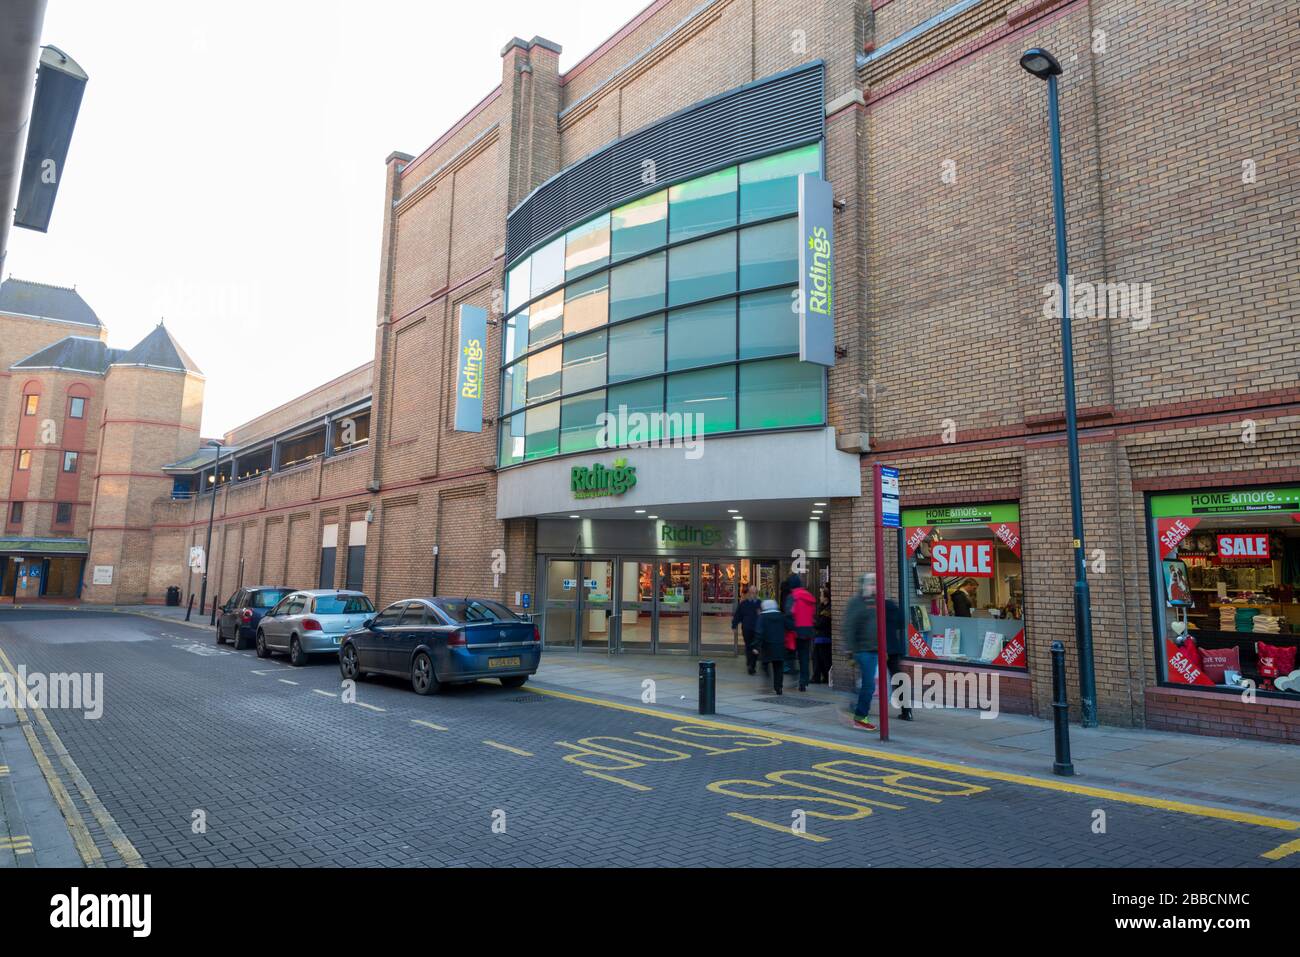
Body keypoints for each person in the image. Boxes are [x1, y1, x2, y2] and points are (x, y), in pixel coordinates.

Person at [841, 573, 902, 730]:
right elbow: (848, 627)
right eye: (871, 583)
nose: (874, 586)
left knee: (866, 684)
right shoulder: (857, 603)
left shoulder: (876, 602)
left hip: (876, 650)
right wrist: (851, 651)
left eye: (875, 583)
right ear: (863, 585)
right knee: (869, 685)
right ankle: (860, 717)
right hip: (863, 650)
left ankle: (855, 708)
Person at [784, 574, 817, 691]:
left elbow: (788, 614)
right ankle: (803, 681)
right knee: (804, 658)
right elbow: (813, 614)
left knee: (790, 655)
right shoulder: (809, 596)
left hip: (795, 631)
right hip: (807, 631)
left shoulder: (792, 597)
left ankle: (794, 676)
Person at [883, 589, 911, 720]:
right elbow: (902, 624)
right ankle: (907, 711)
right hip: (893, 647)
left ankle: (858, 706)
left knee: (867, 677)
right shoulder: (893, 606)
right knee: (898, 678)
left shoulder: (874, 607)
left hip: (879, 647)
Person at [756, 599, 788, 694]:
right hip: (780, 645)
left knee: (764, 664)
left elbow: (759, 632)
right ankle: (778, 687)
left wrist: (756, 645)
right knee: (778, 667)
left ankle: (767, 682)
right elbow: (789, 626)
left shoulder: (762, 617)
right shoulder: (781, 616)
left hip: (767, 646)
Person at [731, 585, 762, 675]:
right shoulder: (743, 604)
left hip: (757, 630)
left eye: (754, 593)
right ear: (748, 593)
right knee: (749, 646)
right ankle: (749, 662)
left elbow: (764, 617)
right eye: (751, 593)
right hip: (747, 628)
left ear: (756, 593)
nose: (752, 594)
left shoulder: (760, 604)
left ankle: (752, 665)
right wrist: (734, 625)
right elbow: (738, 615)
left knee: (756, 647)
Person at [812, 583, 833, 684]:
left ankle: (826, 677)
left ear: (826, 598)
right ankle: (819, 677)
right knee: (817, 658)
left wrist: (814, 621)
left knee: (824, 659)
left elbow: (821, 623)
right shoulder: (821, 607)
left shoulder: (828, 610)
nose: (820, 597)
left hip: (824, 638)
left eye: (821, 595)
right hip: (820, 637)